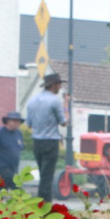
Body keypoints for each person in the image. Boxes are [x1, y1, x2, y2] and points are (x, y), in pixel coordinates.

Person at [25, 72, 69, 200]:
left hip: (37, 142)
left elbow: (29, 124)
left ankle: (41, 203)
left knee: (43, 175)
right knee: (47, 177)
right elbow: (64, 122)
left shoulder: (32, 101)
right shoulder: (54, 101)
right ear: (53, 85)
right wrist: (66, 105)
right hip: (50, 141)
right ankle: (44, 205)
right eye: (59, 84)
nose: (60, 87)